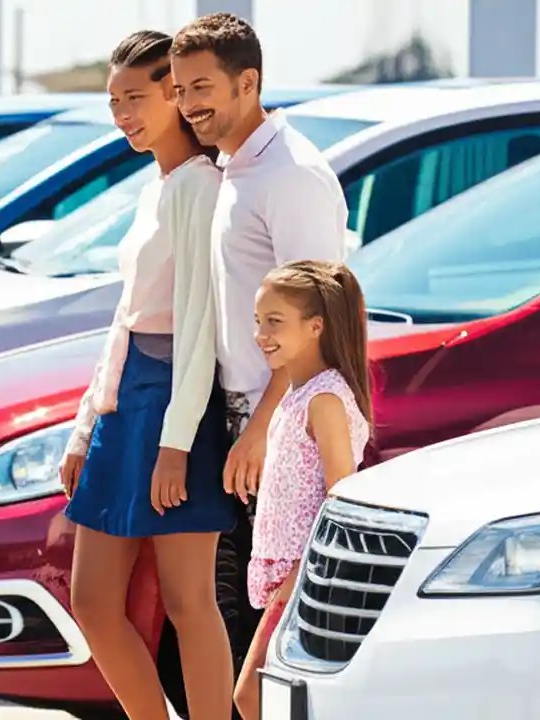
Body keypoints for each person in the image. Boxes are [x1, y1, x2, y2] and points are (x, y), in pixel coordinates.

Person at [58, 29, 239, 720]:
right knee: (93, 602)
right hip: (122, 404)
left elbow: (199, 326)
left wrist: (176, 443)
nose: (124, 115)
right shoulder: (154, 188)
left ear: (175, 94)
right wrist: (81, 431)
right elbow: (125, 319)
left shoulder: (202, 189)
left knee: (190, 600)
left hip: (175, 408)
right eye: (113, 102)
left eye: (136, 98)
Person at [169, 13, 349, 505]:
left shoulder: (291, 175)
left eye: (200, 87)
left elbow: (314, 324)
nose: (187, 106)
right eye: (180, 91)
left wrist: (261, 430)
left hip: (281, 422)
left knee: (280, 582)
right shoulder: (235, 168)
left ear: (247, 82)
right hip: (240, 414)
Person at [233, 260, 373, 719]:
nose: (261, 334)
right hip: (288, 578)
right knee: (281, 700)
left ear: (316, 327)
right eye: (258, 321)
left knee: (252, 697)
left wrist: (300, 579)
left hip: (305, 577)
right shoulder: (298, 393)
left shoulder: (325, 400)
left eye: (275, 322)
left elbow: (342, 500)